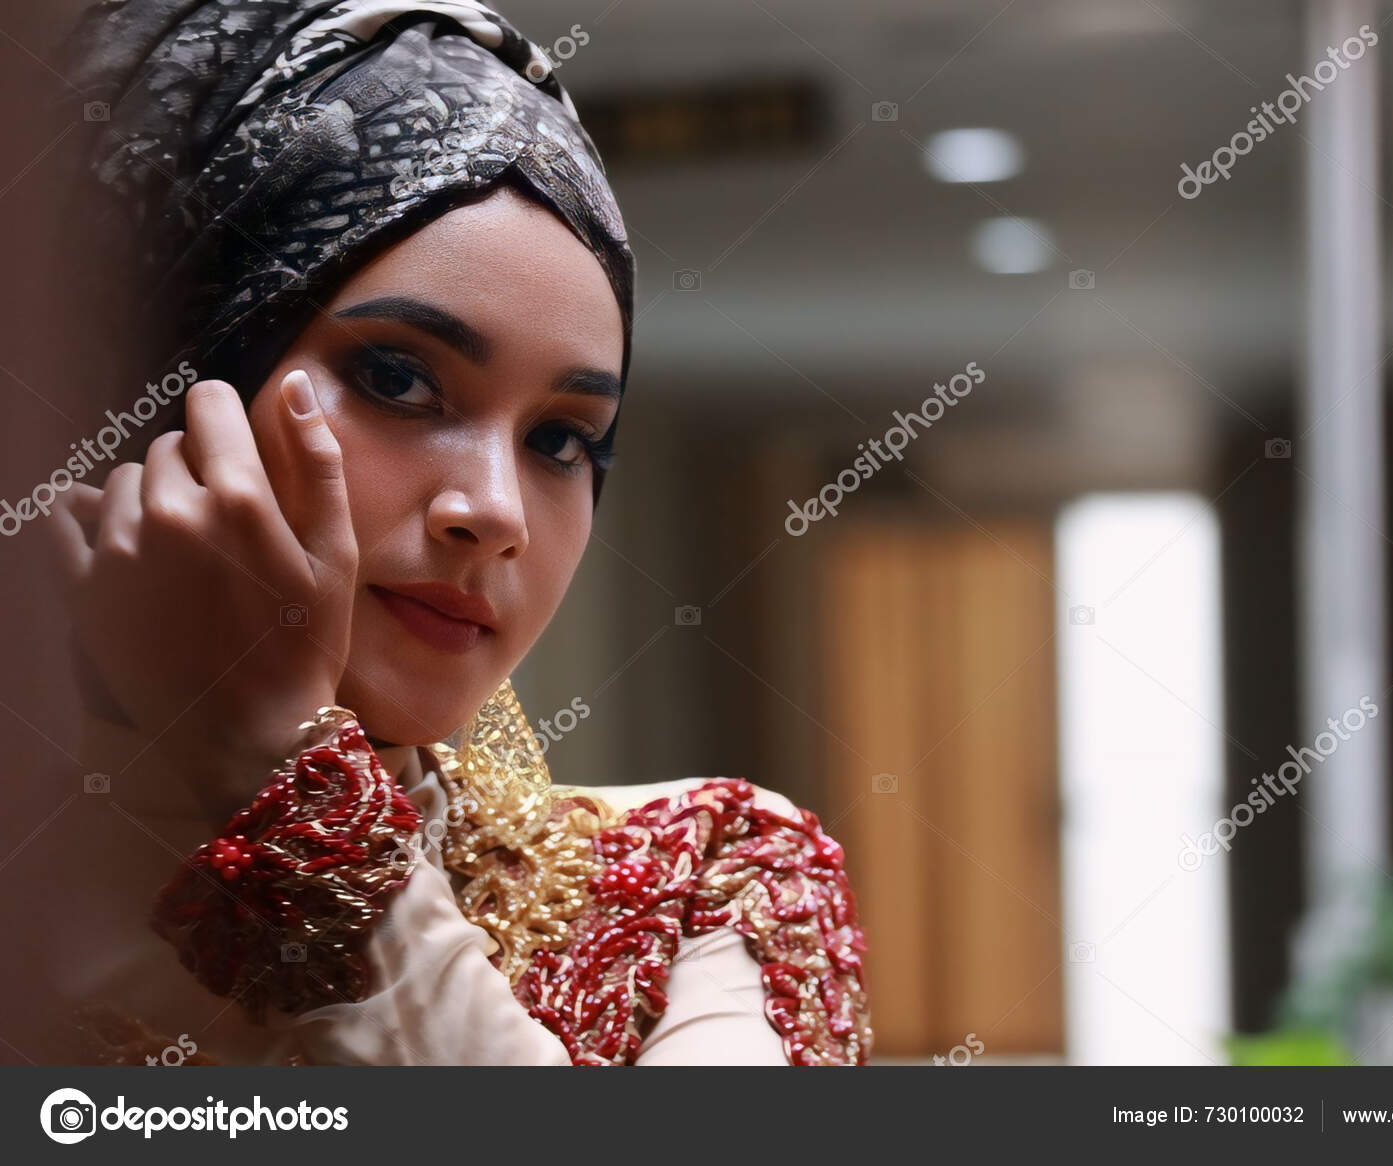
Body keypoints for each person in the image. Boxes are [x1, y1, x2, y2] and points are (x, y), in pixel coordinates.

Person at [42, 0, 870, 1066]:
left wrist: (281, 772)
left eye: (564, 438)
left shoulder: (705, 881)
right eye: (396, 377)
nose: (497, 512)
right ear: (148, 379)